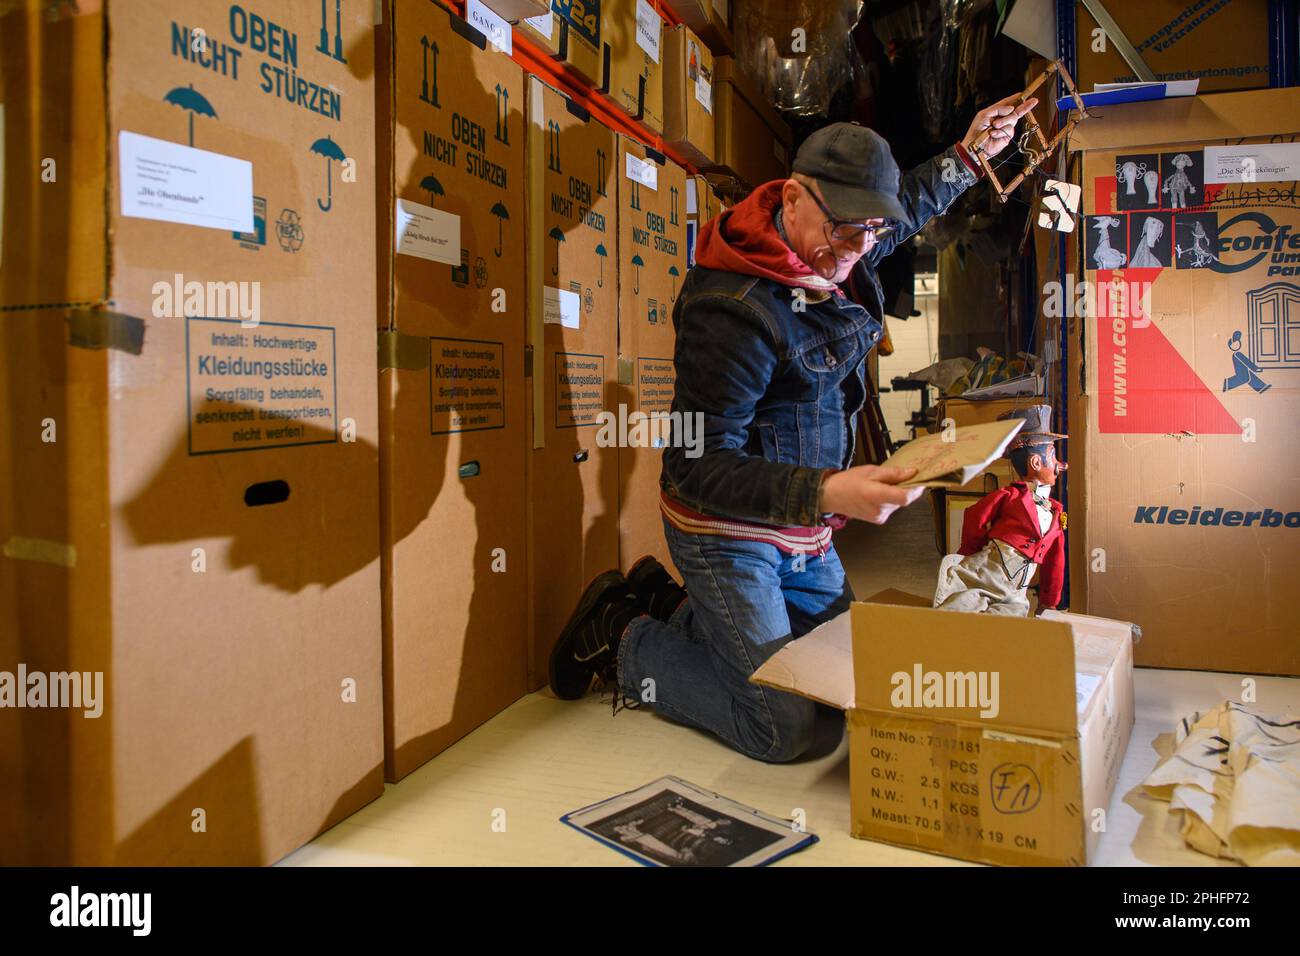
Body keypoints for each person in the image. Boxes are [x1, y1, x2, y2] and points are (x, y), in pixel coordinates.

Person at [549, 97, 1037, 763]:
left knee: (846, 687)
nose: (860, 248)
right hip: (725, 535)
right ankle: (624, 634)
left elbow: (904, 210)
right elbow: (696, 467)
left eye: (870, 230)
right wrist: (831, 491)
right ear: (795, 198)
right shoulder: (730, 309)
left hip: (804, 533)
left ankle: (672, 605)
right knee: (787, 728)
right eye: (845, 230)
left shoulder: (841, 243)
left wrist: (969, 154)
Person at [932, 406, 1067, 616]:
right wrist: (970, 553)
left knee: (1012, 615)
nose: (1060, 465)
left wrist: (1049, 602)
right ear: (1036, 462)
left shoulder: (1055, 515)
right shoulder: (1010, 496)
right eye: (1053, 456)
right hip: (988, 572)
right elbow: (975, 516)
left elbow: (1055, 562)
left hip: (1016, 590)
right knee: (961, 608)